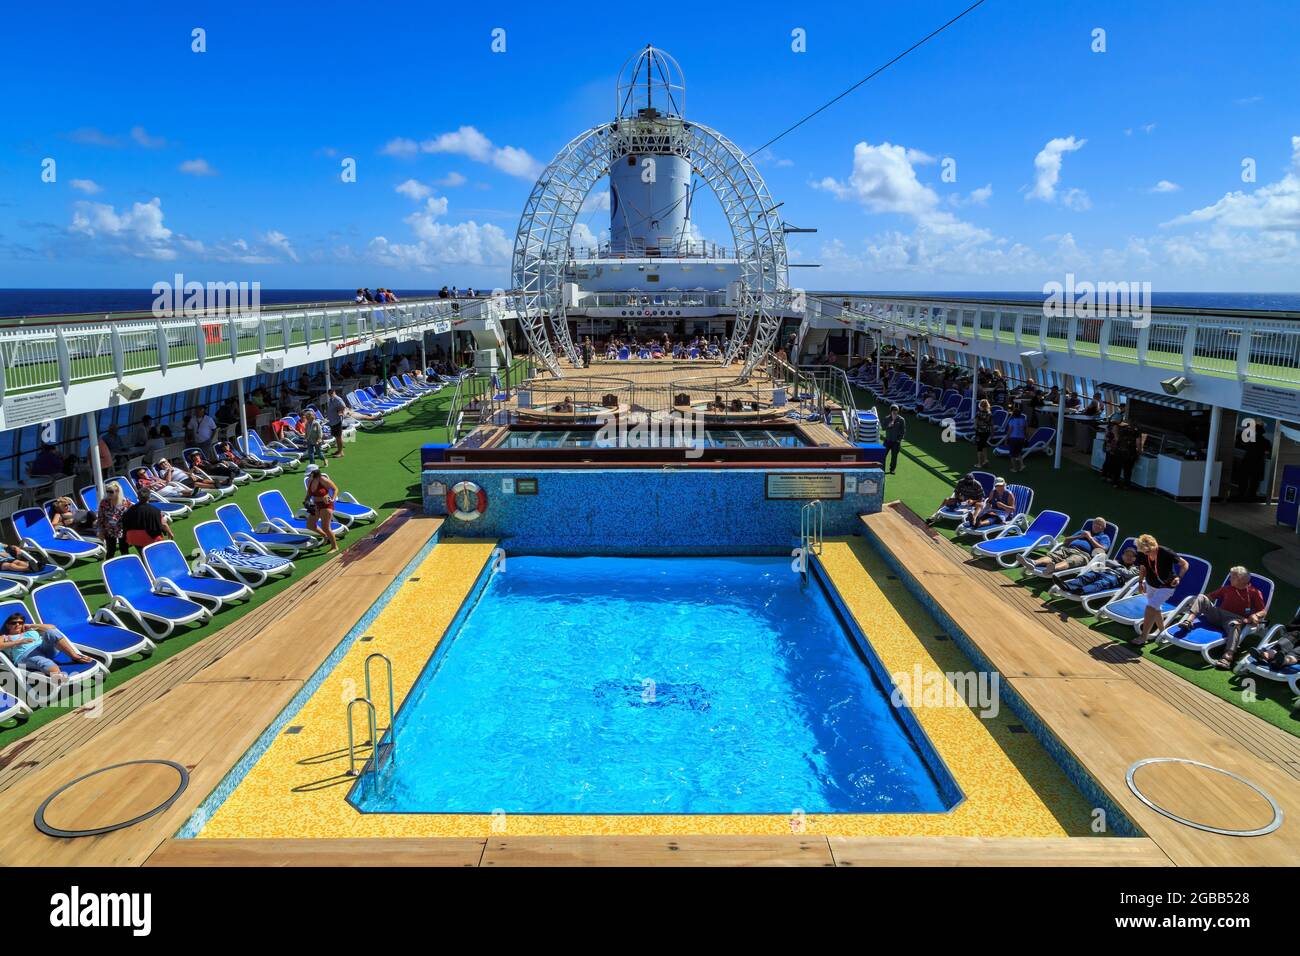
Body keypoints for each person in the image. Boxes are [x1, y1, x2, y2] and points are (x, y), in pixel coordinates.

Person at [1173, 566, 1267, 669]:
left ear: (1239, 579)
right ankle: (1188, 621)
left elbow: (1263, 611)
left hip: (1233, 619)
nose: (1230, 579)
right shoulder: (1227, 588)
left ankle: (1228, 657)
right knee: (1201, 597)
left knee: (1235, 625)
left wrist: (1255, 615)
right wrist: (1197, 602)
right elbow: (1209, 597)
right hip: (1217, 614)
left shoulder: (1254, 592)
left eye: (1232, 577)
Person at [0, 612, 94, 683]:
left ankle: (74, 656)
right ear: (8, 625)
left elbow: (52, 628)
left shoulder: (30, 630)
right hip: (26, 655)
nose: (17, 624)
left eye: (20, 623)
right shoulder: (4, 637)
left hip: (44, 648)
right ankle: (59, 677)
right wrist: (20, 641)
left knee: (51, 633)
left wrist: (32, 625)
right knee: (43, 662)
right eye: (13, 623)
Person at [1133, 533, 1189, 646]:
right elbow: (1143, 568)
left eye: (1147, 551)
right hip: (1151, 584)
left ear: (1154, 546)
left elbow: (1185, 564)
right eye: (1143, 551)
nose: (1145, 554)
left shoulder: (1165, 552)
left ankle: (1143, 636)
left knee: (1150, 607)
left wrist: (1179, 577)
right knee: (1156, 608)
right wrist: (1140, 582)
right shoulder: (1142, 553)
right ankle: (1163, 632)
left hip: (1167, 586)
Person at [1020, 518, 1113, 576]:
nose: (1096, 525)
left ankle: (1052, 569)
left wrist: (1090, 538)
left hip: (1083, 555)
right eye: (1095, 523)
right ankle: (1033, 562)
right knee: (1053, 556)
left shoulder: (1104, 537)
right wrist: (1079, 536)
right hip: (1068, 549)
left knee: (1070, 561)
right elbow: (1066, 540)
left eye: (1099, 525)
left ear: (1103, 528)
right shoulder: (1083, 531)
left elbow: (1103, 550)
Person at [303, 465, 339, 553]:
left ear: (315, 473)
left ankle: (335, 546)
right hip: (316, 505)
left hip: (326, 505)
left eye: (309, 474)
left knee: (326, 527)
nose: (308, 476)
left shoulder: (323, 480)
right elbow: (309, 494)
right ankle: (325, 536)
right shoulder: (309, 481)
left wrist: (333, 498)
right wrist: (306, 501)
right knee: (310, 525)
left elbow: (335, 489)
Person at [95, 483, 129, 559]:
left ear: (117, 491)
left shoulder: (125, 501)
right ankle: (110, 568)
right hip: (108, 529)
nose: (108, 493)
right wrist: (100, 531)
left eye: (111, 491)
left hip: (122, 528)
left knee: (124, 549)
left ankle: (127, 565)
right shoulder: (104, 502)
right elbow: (100, 517)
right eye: (107, 491)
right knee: (111, 550)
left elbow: (131, 513)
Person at [1113, 420, 1143, 488]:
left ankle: (1115, 483)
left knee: (1117, 468)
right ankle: (1126, 485)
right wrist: (1139, 451)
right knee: (1128, 469)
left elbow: (1116, 438)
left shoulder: (1121, 428)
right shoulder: (1137, 430)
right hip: (1130, 452)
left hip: (1120, 450)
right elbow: (1138, 443)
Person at [323, 389, 348, 458]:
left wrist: (340, 412)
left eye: (331, 393)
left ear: (334, 392)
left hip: (337, 421)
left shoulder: (337, 399)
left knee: (338, 437)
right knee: (337, 437)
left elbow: (343, 407)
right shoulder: (331, 399)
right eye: (329, 393)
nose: (330, 394)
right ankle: (338, 450)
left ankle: (341, 452)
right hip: (333, 421)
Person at [882, 405, 905, 475]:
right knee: (883, 455)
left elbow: (903, 431)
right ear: (891, 411)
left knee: (894, 457)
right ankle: (882, 469)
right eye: (893, 410)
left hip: (896, 442)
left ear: (898, 411)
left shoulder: (901, 420)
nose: (894, 412)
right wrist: (888, 425)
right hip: (887, 440)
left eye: (896, 410)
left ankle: (892, 469)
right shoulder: (887, 418)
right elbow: (883, 427)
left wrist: (899, 439)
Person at [1005, 406, 1028, 473]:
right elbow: (1026, 431)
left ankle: (1014, 468)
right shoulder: (1024, 421)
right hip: (1021, 438)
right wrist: (1027, 438)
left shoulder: (1011, 421)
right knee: (1018, 453)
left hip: (1013, 438)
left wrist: (1006, 439)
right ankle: (1022, 465)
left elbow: (1010, 431)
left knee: (1012, 454)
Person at [973, 399, 994, 469]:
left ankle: (979, 463)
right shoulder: (990, 414)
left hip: (979, 432)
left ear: (980, 405)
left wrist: (976, 429)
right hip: (987, 432)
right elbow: (992, 425)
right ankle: (985, 459)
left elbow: (975, 424)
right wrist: (992, 433)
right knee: (984, 445)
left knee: (979, 448)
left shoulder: (978, 413)